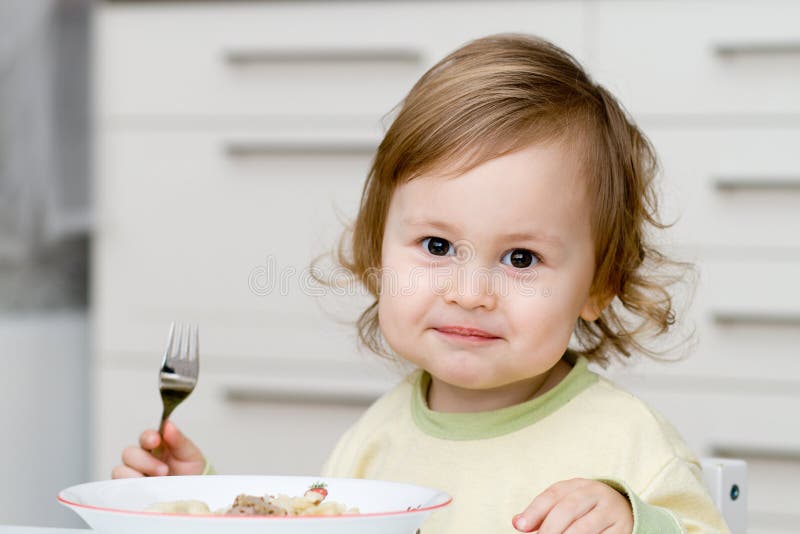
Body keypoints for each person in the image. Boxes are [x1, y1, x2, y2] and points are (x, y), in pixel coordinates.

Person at [113, 33, 730, 534]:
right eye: (437, 246)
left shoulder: (626, 442)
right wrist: (194, 503)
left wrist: (634, 522)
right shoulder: (373, 443)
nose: (469, 291)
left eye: (520, 259)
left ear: (600, 284)